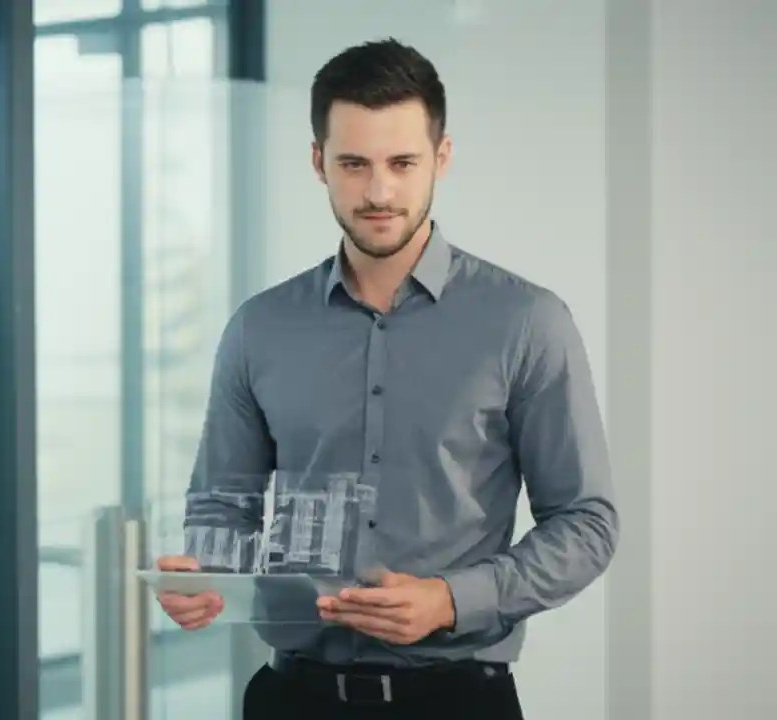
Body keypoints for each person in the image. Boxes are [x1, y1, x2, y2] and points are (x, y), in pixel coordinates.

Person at [154, 37, 618, 719]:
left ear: (443, 157)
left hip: (457, 702)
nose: (378, 191)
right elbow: (223, 507)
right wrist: (205, 577)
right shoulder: (258, 329)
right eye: (353, 164)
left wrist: (452, 598)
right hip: (291, 698)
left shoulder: (527, 322)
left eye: (402, 163)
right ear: (319, 163)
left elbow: (586, 522)